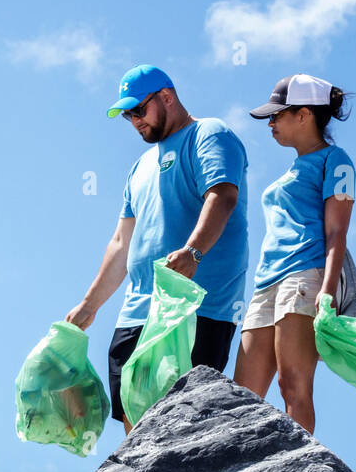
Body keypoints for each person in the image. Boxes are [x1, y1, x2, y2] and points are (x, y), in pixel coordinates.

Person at [67, 65, 249, 433]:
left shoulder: (209, 134)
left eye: (139, 110)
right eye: (128, 115)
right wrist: (89, 306)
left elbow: (223, 195)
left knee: (186, 419)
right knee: (132, 413)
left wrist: (193, 252)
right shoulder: (139, 167)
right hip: (137, 308)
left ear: (166, 97)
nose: (134, 120)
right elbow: (121, 242)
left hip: (196, 304)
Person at [233, 74, 355, 433]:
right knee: (242, 396)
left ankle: (296, 469)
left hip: (304, 277)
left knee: (293, 386)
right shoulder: (291, 170)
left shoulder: (338, 160)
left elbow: (337, 231)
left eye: (277, 115)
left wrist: (328, 290)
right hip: (266, 283)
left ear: (303, 115)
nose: (270, 123)